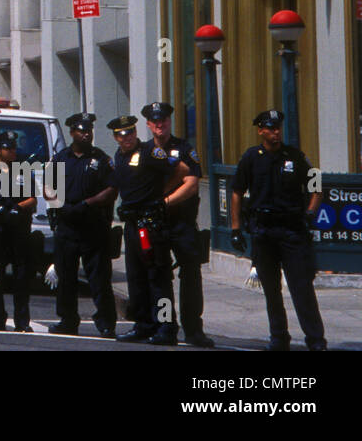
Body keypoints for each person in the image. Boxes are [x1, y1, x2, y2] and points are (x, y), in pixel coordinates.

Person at [230, 109, 328, 351]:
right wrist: (235, 228)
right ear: (261, 130)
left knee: (301, 288)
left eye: (278, 128)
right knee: (271, 290)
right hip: (263, 232)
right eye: (270, 128)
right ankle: (279, 337)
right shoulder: (252, 158)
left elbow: (316, 186)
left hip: (291, 231)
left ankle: (315, 340)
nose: (275, 132)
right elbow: (237, 192)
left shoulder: (294, 157)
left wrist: (309, 213)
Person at [108, 114, 189, 345]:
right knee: (136, 277)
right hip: (132, 225)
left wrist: (160, 195)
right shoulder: (119, 156)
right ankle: (143, 325)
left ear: (136, 132)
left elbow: (182, 170)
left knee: (157, 277)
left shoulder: (150, 152)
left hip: (148, 226)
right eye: (121, 134)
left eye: (130, 132)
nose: (127, 138)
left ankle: (165, 327)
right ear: (115, 137)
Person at [142, 101, 214, 348]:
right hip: (157, 226)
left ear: (169, 121)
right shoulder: (143, 151)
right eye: (155, 120)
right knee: (160, 278)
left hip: (182, 223)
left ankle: (194, 330)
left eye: (164, 119)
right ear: (149, 124)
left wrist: (164, 202)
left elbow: (192, 182)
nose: (160, 124)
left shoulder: (184, 148)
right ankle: (165, 328)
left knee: (191, 276)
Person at [46, 112, 117, 337]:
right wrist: (60, 205)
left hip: (93, 226)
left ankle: (106, 322)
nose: (86, 134)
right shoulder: (60, 159)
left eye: (88, 130)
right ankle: (68, 320)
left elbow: (112, 189)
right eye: (81, 130)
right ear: (72, 133)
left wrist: (88, 204)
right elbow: (48, 187)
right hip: (67, 226)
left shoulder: (101, 159)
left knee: (99, 278)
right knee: (66, 277)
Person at [0, 131, 37, 332]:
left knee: (22, 276)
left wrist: (18, 207)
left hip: (19, 231)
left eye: (14, 148)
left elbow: (33, 198)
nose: (12, 152)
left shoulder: (23, 170)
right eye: (8, 148)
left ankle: (22, 321)